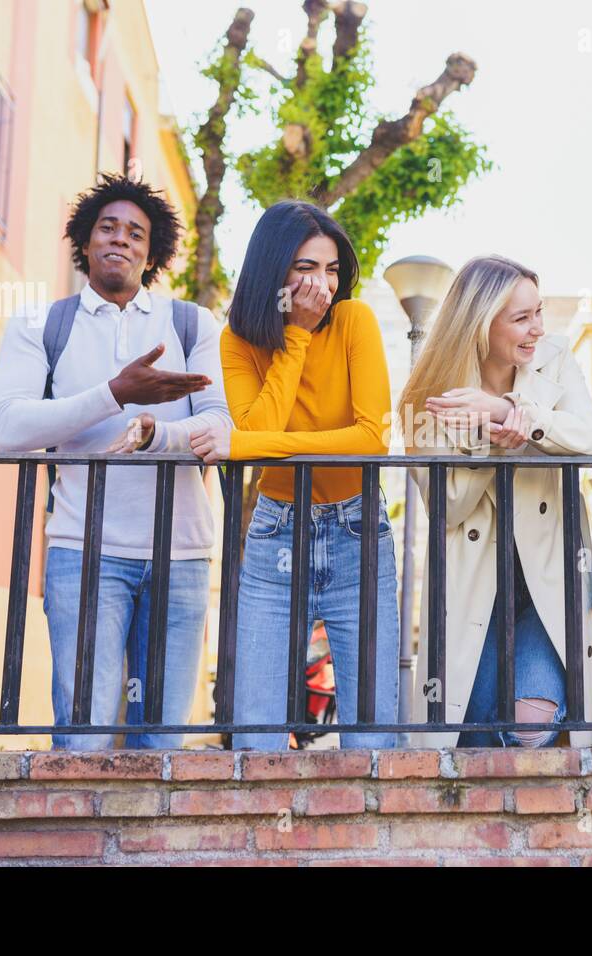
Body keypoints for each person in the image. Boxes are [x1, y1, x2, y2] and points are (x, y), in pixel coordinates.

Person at [0, 173, 229, 750]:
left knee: (163, 746)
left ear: (152, 252)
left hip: (182, 554)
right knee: (83, 743)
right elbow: (8, 427)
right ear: (85, 241)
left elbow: (220, 424)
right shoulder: (40, 326)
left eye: (135, 233)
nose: (120, 239)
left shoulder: (192, 323)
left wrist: (152, 434)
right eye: (108, 228)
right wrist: (116, 394)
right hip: (82, 552)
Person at [189, 201, 398, 751]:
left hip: (357, 531)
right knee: (256, 737)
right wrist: (297, 338)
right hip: (275, 533)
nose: (323, 285)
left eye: (332, 270)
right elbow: (258, 430)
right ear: (273, 268)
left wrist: (249, 445)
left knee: (371, 738)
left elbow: (371, 438)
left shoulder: (356, 321)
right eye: (307, 268)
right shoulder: (239, 340)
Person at [397, 255, 592, 749]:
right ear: (479, 324)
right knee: (470, 739)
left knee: (529, 725)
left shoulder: (556, 358)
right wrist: (491, 441)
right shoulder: (425, 392)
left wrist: (514, 412)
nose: (537, 328)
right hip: (472, 585)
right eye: (521, 318)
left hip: (550, 583)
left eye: (538, 312)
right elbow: (445, 507)